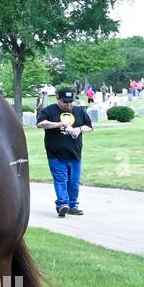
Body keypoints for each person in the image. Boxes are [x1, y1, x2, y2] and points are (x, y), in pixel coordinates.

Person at [36, 85, 93, 217]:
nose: (68, 105)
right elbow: (40, 123)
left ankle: (73, 205)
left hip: (75, 154)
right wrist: (59, 124)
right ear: (58, 99)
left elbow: (89, 126)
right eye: (65, 102)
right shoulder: (50, 110)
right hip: (55, 155)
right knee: (61, 179)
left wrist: (79, 129)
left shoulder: (79, 111)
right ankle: (62, 204)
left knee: (73, 182)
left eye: (70, 102)